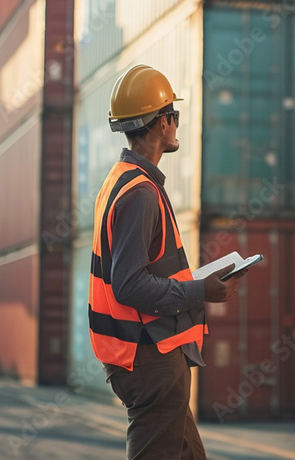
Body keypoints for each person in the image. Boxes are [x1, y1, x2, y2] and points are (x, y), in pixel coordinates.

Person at [90, 64, 243, 460]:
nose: (176, 124)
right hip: (149, 359)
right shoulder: (140, 192)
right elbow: (130, 285)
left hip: (150, 355)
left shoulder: (121, 180)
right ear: (160, 123)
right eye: (173, 115)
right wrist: (202, 290)